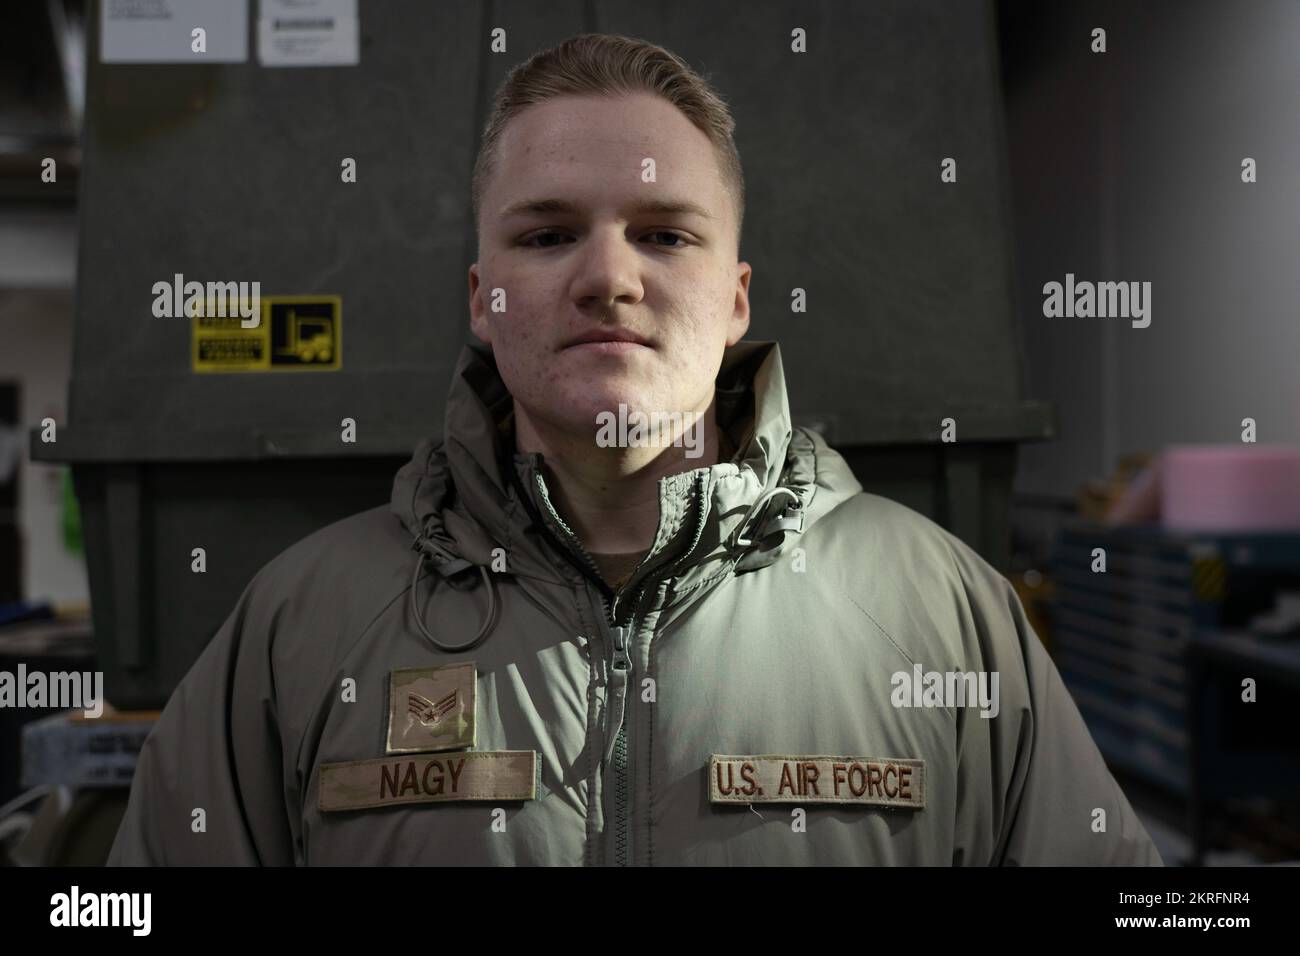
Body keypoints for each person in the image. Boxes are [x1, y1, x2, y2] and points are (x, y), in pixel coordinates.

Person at [108, 32, 1162, 866]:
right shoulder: (302, 627)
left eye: (664, 234)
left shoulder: (944, 617)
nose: (609, 277)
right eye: (547, 233)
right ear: (482, 298)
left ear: (736, 295)